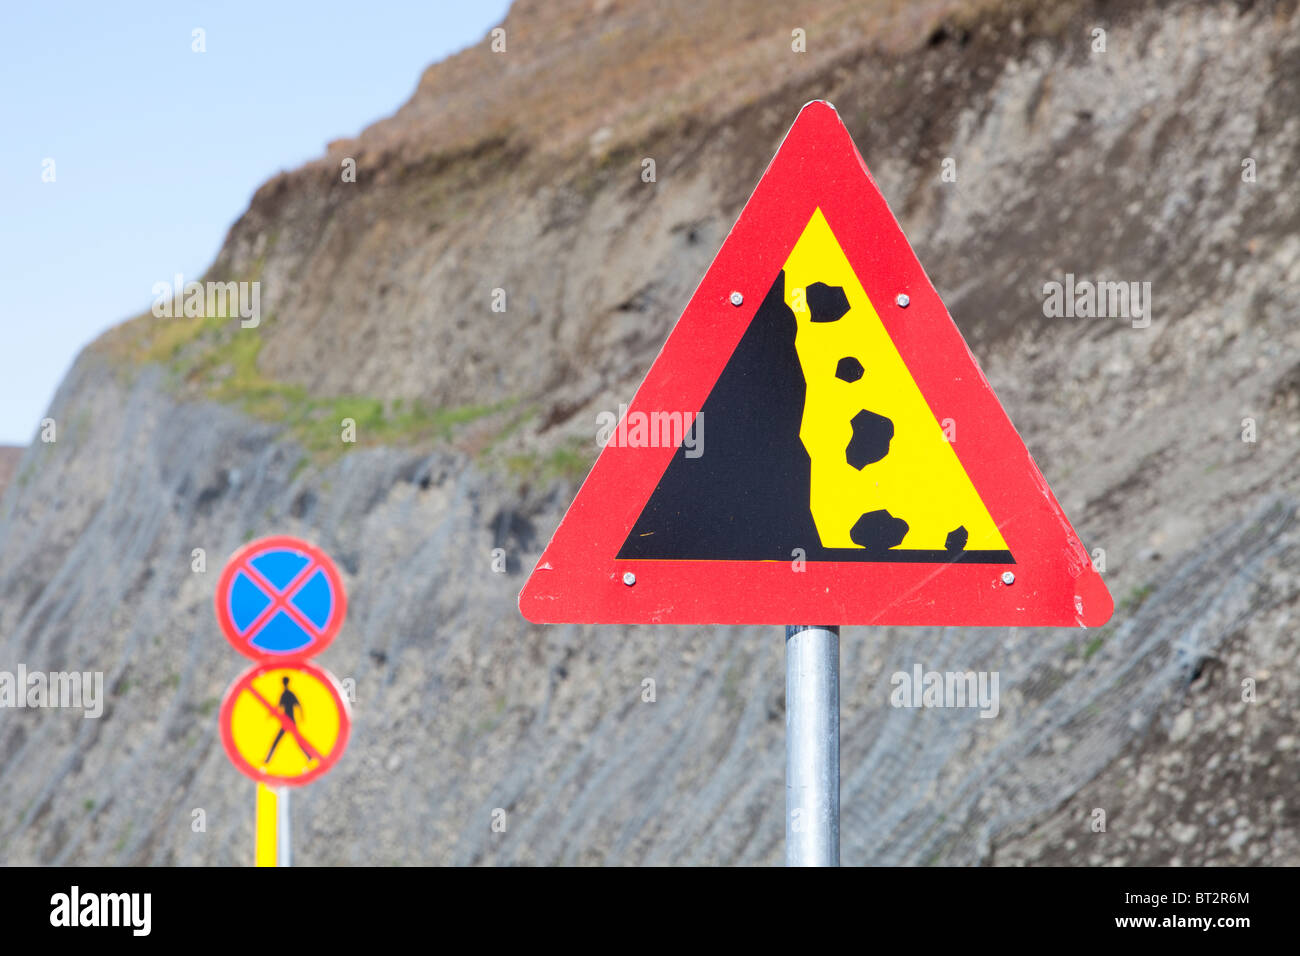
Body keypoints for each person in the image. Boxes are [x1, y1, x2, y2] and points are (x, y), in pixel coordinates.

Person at [263, 676, 312, 764]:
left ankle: (309, 756)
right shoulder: (285, 694)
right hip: (286, 721)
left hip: (290, 722)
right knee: (282, 741)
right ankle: (267, 760)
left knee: (295, 741)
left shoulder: (288, 694)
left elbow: (298, 705)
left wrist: (302, 716)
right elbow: (280, 707)